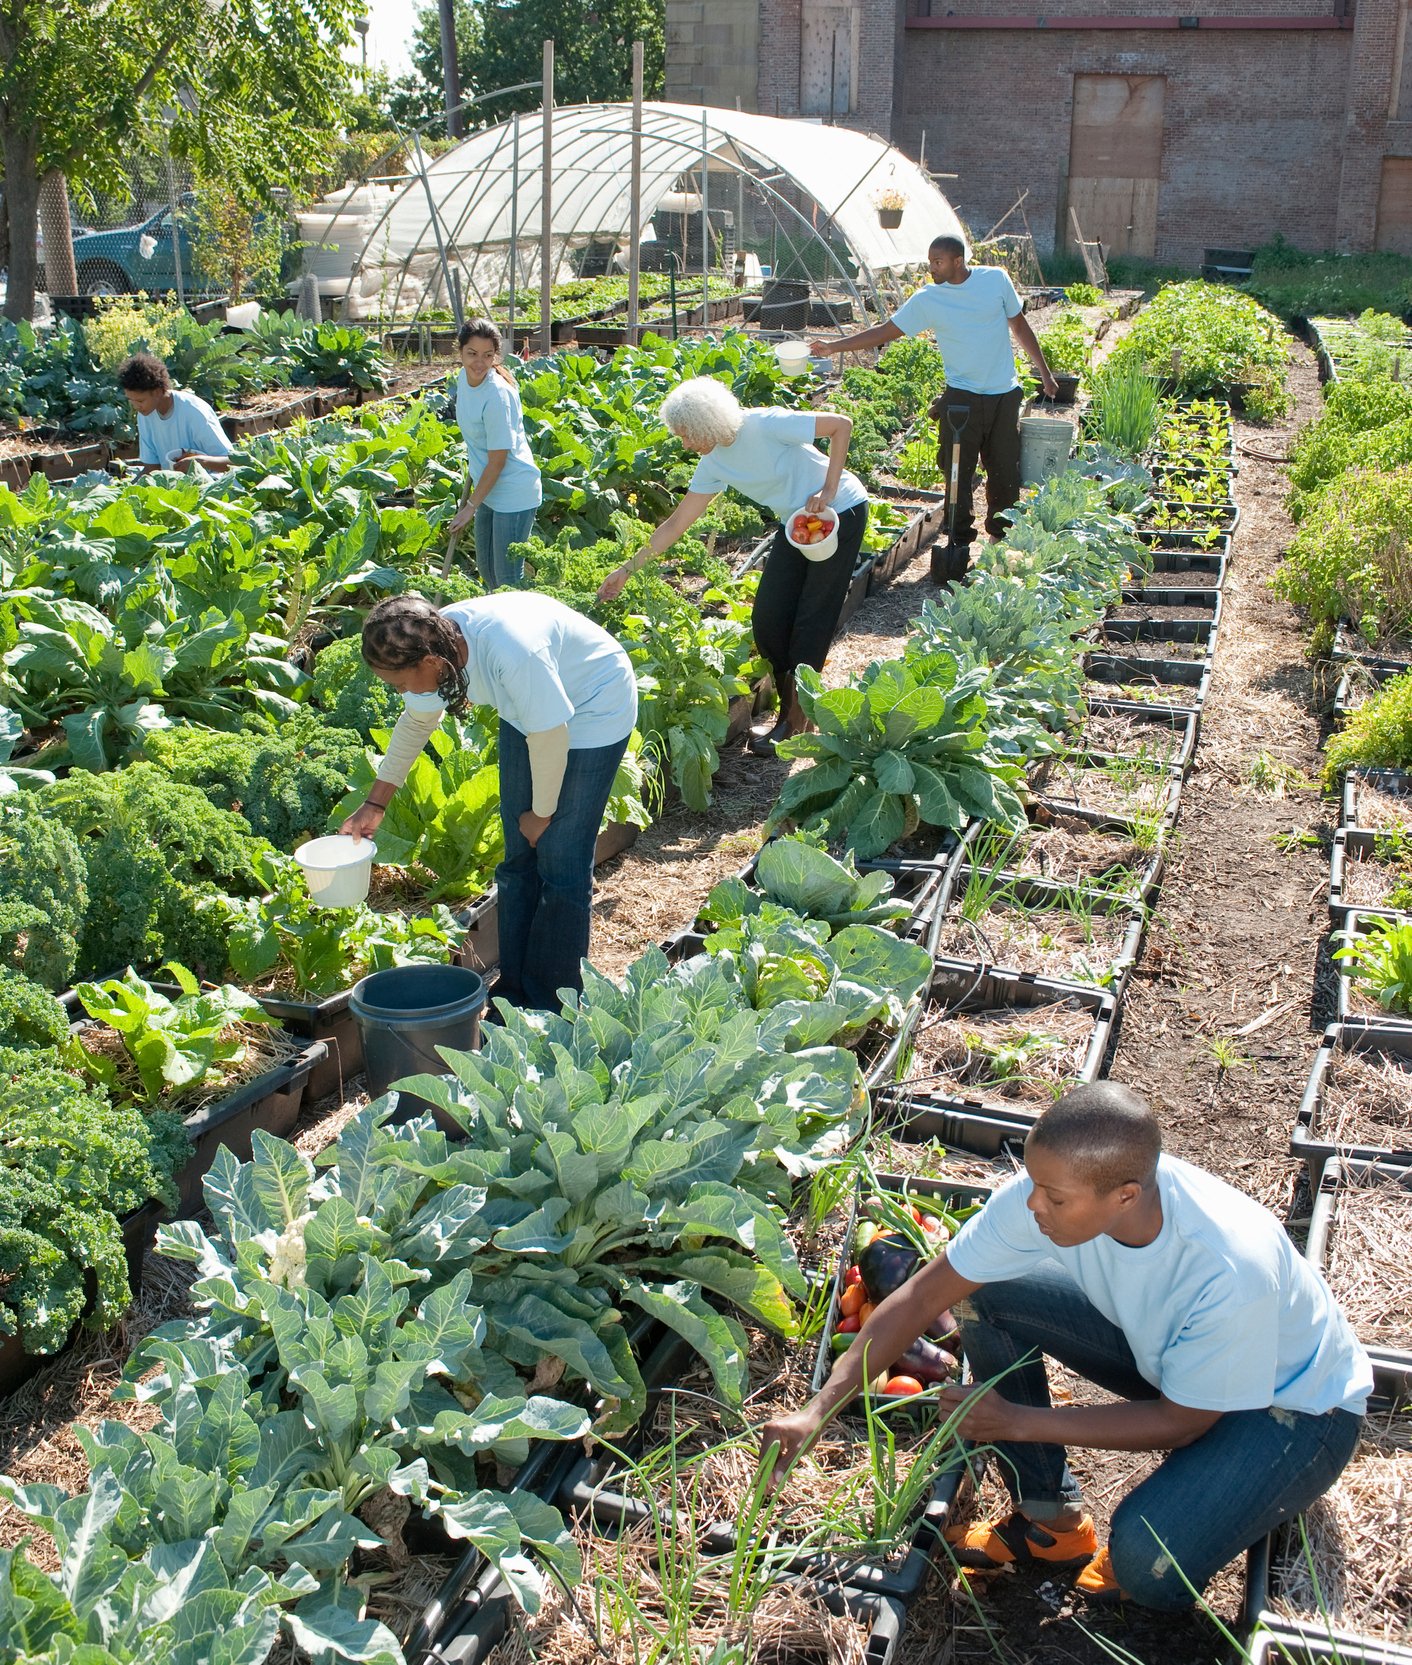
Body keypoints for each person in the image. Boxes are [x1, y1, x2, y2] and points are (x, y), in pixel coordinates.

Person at [761, 1083, 1370, 1611]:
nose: (1033, 1204)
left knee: (1146, 1562)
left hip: (1295, 1409)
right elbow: (923, 1295)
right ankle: (1050, 1518)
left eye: (1054, 1197)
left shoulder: (1227, 1268)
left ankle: (1230, 1494)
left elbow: (1184, 1422)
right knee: (984, 1291)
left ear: (1124, 1195)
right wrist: (819, 1409)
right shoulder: (1050, 1195)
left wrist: (1017, 1421)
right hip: (1179, 1364)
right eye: (1035, 1183)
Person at [340, 592, 636, 1012]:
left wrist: (542, 814)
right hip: (532, 709)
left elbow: (551, 738)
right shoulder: (434, 645)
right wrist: (375, 803)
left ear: (431, 663)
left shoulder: (511, 651)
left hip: (595, 702)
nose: (400, 691)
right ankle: (513, 992)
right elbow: (416, 723)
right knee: (518, 860)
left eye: (399, 683)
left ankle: (553, 1004)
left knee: (562, 859)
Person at [596, 377, 868, 757]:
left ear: (706, 421)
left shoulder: (766, 424)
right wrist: (627, 569)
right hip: (796, 521)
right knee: (768, 619)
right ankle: (795, 709)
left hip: (842, 511)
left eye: (686, 434)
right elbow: (676, 523)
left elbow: (841, 425)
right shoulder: (713, 463)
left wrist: (829, 489)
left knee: (812, 617)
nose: (685, 444)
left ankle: (794, 721)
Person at [811, 235, 1057, 570]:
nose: (932, 268)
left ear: (958, 261)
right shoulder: (929, 298)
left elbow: (1019, 325)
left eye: (937, 262)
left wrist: (1044, 372)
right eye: (930, 262)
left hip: (1004, 393)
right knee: (956, 472)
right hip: (961, 397)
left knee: (1003, 470)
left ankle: (1001, 540)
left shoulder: (995, 280)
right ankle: (959, 540)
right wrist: (834, 347)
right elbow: (885, 332)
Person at [445, 318, 542, 591]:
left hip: (513, 491)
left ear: (495, 355)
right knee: (488, 571)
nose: (479, 363)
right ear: (460, 351)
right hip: (487, 488)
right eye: (472, 354)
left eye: (487, 356)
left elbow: (498, 462)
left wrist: (470, 507)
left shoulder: (497, 395)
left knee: (507, 580)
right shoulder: (464, 379)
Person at [117, 352, 233, 473]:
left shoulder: (194, 411)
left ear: (157, 392)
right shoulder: (144, 415)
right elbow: (151, 468)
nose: (136, 406)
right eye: (131, 400)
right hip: (174, 483)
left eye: (140, 401)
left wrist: (201, 462)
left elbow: (232, 462)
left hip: (212, 483)